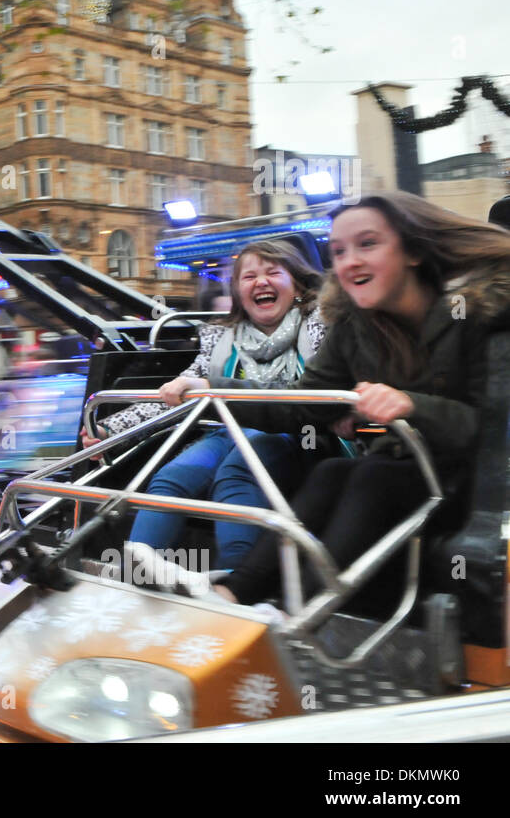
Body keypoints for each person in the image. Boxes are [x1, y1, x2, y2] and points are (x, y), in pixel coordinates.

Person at [151, 192, 510, 614]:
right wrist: (212, 389)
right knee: (332, 471)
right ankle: (235, 594)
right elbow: (304, 403)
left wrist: (411, 405)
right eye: (338, 251)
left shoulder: (479, 314)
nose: (350, 262)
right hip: (409, 466)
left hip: (481, 485)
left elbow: (491, 430)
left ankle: (299, 610)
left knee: (372, 473)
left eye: (367, 244)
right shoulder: (354, 324)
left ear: (413, 251)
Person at [85, 240, 326, 571]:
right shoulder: (221, 339)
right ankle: (134, 574)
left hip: (298, 432)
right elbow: (176, 396)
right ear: (238, 292)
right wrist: (111, 431)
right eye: (249, 276)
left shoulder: (319, 325)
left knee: (237, 474)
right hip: (229, 430)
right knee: (171, 478)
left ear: (297, 285)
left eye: (272, 273)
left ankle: (233, 586)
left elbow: (312, 395)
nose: (260, 282)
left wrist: (217, 390)